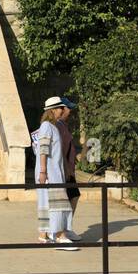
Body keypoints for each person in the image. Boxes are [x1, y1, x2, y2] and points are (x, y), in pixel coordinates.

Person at [33, 97, 78, 251]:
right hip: (49, 173)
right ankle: (60, 236)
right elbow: (43, 149)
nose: (62, 110)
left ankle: (43, 236)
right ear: (53, 110)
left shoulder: (51, 126)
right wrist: (43, 171)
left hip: (53, 171)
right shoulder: (47, 126)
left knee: (46, 203)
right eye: (60, 108)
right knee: (59, 204)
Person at [56, 97, 81, 240]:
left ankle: (67, 228)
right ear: (61, 109)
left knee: (74, 196)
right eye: (68, 108)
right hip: (64, 170)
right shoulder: (57, 126)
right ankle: (61, 232)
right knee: (66, 200)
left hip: (69, 170)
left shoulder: (63, 125)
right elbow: (59, 150)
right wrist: (65, 169)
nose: (70, 111)